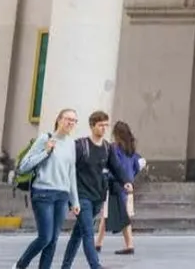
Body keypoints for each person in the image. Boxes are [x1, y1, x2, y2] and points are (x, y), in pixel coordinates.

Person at [61, 110, 126, 269]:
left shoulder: (107, 148)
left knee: (78, 234)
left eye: (106, 125)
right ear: (92, 126)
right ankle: (95, 266)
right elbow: (68, 168)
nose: (104, 128)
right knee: (89, 234)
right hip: (81, 196)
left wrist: (126, 181)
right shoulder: (80, 145)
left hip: (98, 197)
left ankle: (65, 266)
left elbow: (116, 167)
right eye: (100, 125)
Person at [15, 109, 79, 269]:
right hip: (43, 193)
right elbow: (23, 166)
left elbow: (71, 173)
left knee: (53, 240)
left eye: (74, 120)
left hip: (62, 195)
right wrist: (46, 152)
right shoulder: (46, 138)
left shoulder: (72, 144)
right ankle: (20, 265)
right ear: (58, 120)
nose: (70, 123)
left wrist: (75, 200)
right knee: (45, 237)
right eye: (67, 119)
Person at [99, 120, 143, 257]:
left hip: (116, 184)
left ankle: (128, 244)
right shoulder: (131, 151)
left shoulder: (114, 149)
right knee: (115, 215)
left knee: (112, 214)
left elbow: (113, 167)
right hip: (128, 185)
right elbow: (137, 167)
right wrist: (130, 179)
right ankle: (98, 242)